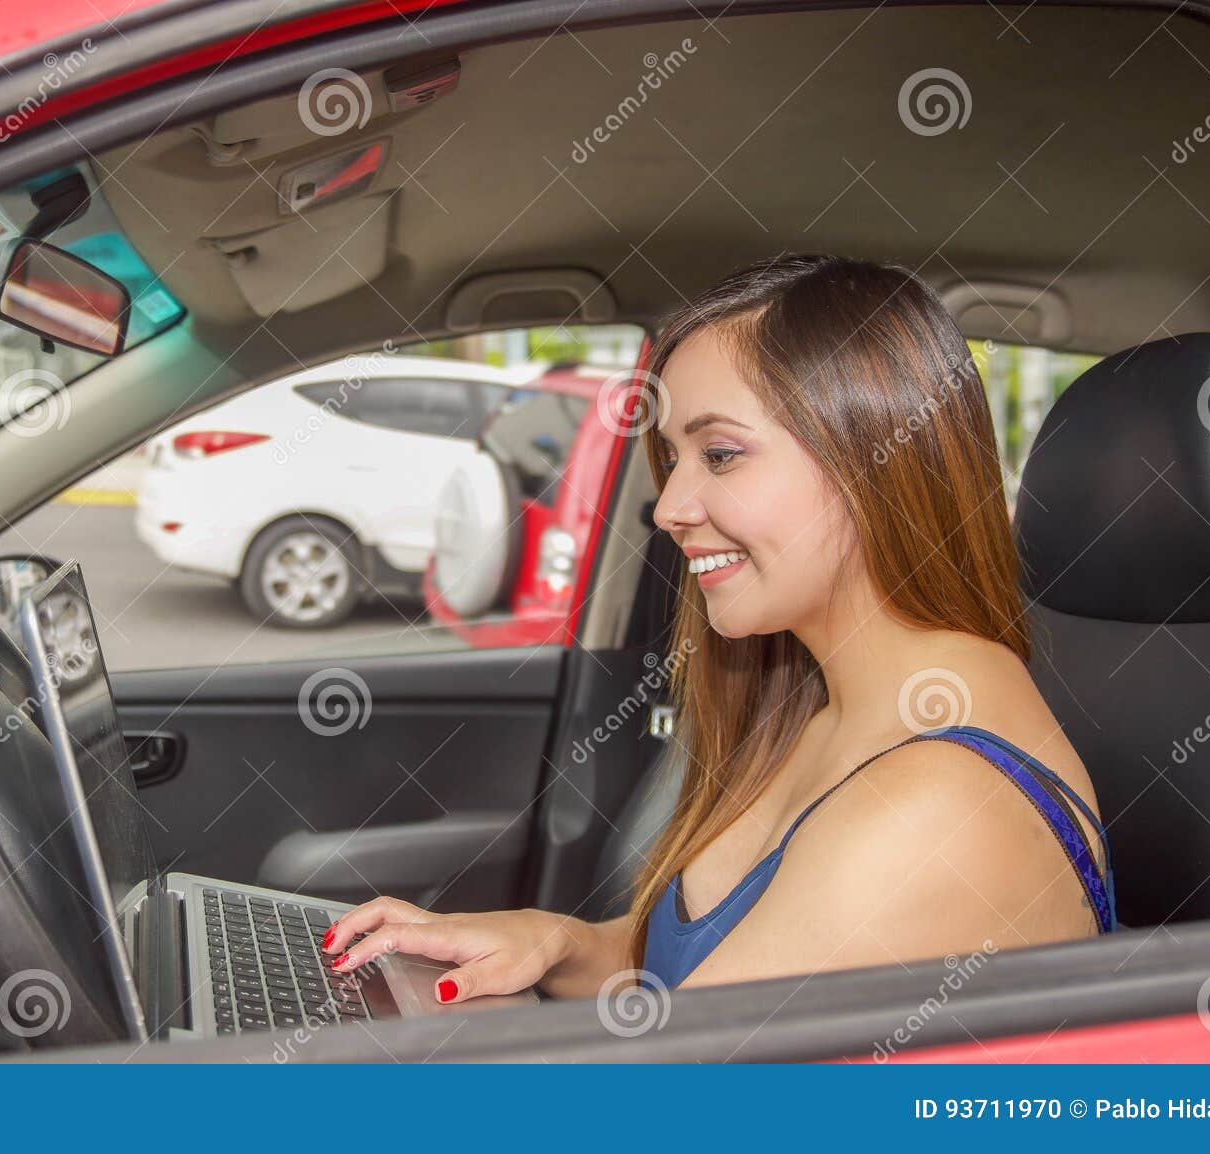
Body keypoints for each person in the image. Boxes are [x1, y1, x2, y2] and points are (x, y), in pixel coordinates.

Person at [322, 254, 1116, 1002]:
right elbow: (694, 971)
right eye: (675, 459)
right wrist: (555, 939)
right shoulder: (829, 704)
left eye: (724, 453)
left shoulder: (934, 812)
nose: (669, 510)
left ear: (877, 456)